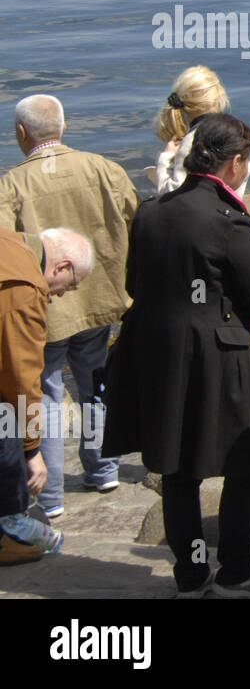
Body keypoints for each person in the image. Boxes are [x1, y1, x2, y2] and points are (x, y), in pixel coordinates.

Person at [102, 115, 250, 597]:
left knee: (178, 468)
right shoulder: (231, 219)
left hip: (160, 352)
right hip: (220, 355)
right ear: (235, 161)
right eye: (248, 159)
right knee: (247, 463)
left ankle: (190, 575)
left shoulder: (152, 211)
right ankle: (236, 570)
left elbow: (133, 284)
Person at [0, 94, 138, 518]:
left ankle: (51, 494)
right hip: (96, 302)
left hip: (42, 312)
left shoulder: (11, 184)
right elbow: (135, 217)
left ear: (21, 133)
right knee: (94, 384)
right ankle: (104, 469)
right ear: (64, 127)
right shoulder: (103, 168)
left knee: (46, 396)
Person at [0, 227, 91, 563]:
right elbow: (20, 379)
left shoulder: (11, 241)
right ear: (61, 267)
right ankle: (9, 536)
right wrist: (31, 450)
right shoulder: (25, 290)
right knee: (7, 425)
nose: (63, 295)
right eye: (71, 285)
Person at [152, 65, 247, 196]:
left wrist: (166, 159)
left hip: (194, 213)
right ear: (219, 99)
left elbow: (173, 193)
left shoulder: (192, 140)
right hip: (228, 210)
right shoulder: (236, 132)